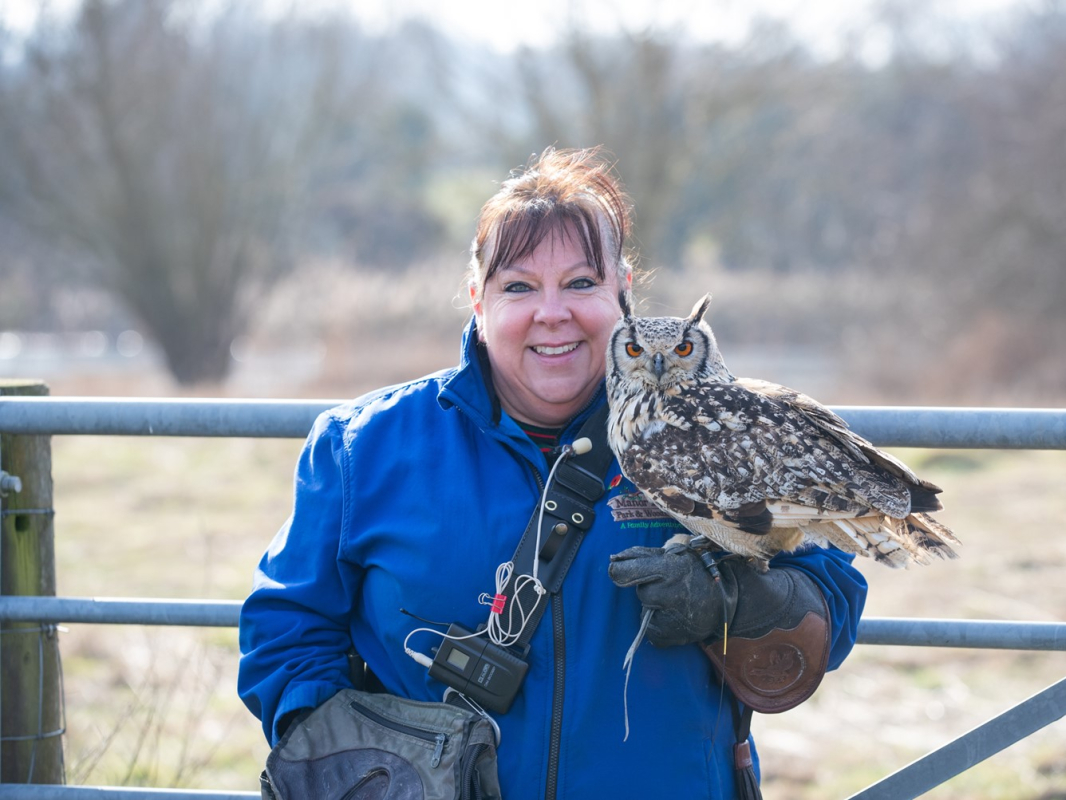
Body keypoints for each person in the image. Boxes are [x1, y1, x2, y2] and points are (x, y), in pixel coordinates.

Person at [238, 147, 868, 798]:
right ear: (477, 298)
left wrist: (735, 602)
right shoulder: (362, 447)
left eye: (580, 283)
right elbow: (284, 632)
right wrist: (357, 767)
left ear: (622, 291)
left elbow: (833, 598)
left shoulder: (720, 432)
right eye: (518, 287)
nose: (552, 313)